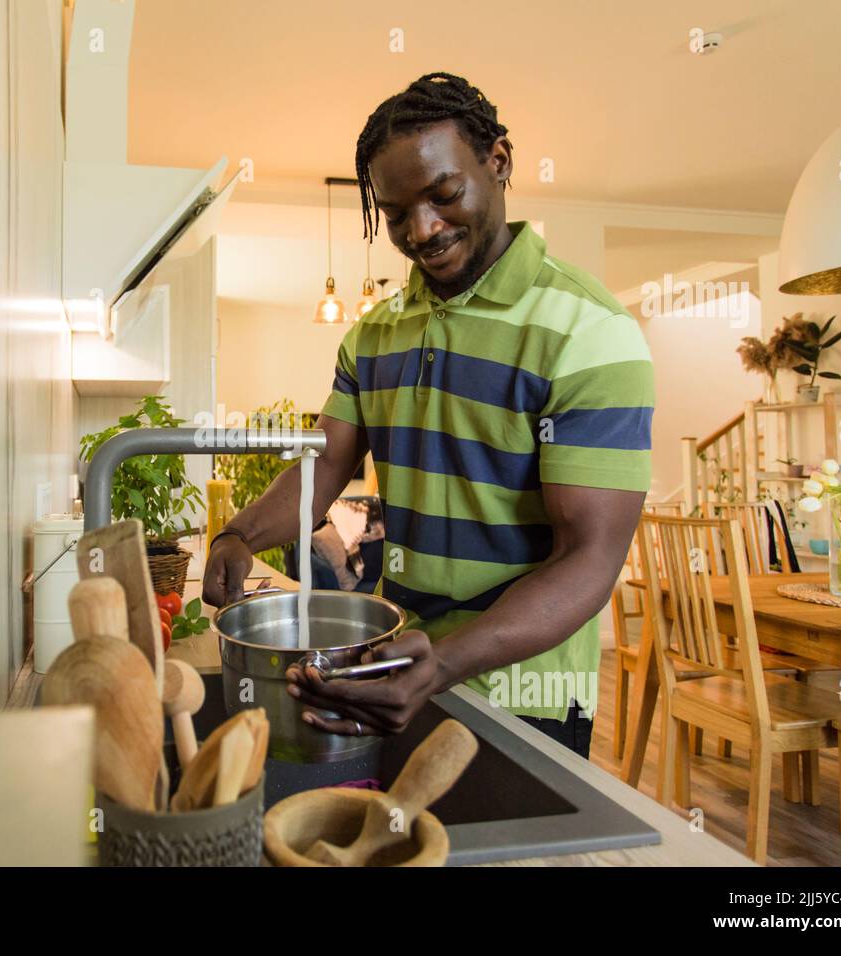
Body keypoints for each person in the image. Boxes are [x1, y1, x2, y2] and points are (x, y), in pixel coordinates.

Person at [203, 73, 653, 759]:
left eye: (444, 195)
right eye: (395, 213)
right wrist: (239, 535)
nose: (423, 230)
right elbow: (325, 463)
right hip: (391, 669)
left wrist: (443, 664)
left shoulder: (589, 332)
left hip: (523, 694)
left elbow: (590, 557)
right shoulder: (374, 335)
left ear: (497, 162)